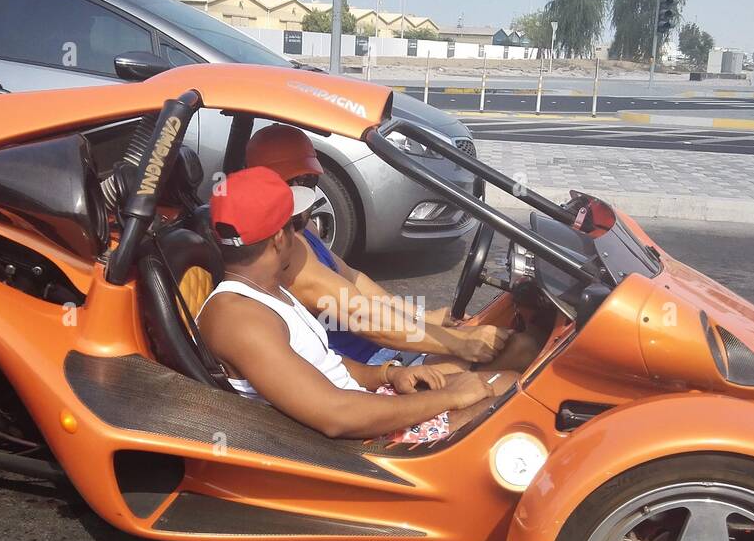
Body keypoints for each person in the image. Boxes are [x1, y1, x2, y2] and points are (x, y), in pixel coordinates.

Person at [197, 166, 517, 444]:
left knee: (511, 382)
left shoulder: (269, 292)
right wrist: (449, 397)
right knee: (519, 399)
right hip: (363, 443)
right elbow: (337, 416)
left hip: (366, 406)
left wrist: (386, 374)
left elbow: (327, 363)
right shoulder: (239, 317)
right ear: (280, 237)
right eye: (297, 225)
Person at [244, 124, 540, 374]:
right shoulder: (286, 257)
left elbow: (354, 280)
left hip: (386, 345)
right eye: (294, 182)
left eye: (307, 180)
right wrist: (460, 343)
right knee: (524, 349)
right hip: (371, 367)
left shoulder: (300, 229)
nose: (304, 190)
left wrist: (420, 316)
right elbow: (363, 317)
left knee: (507, 331)